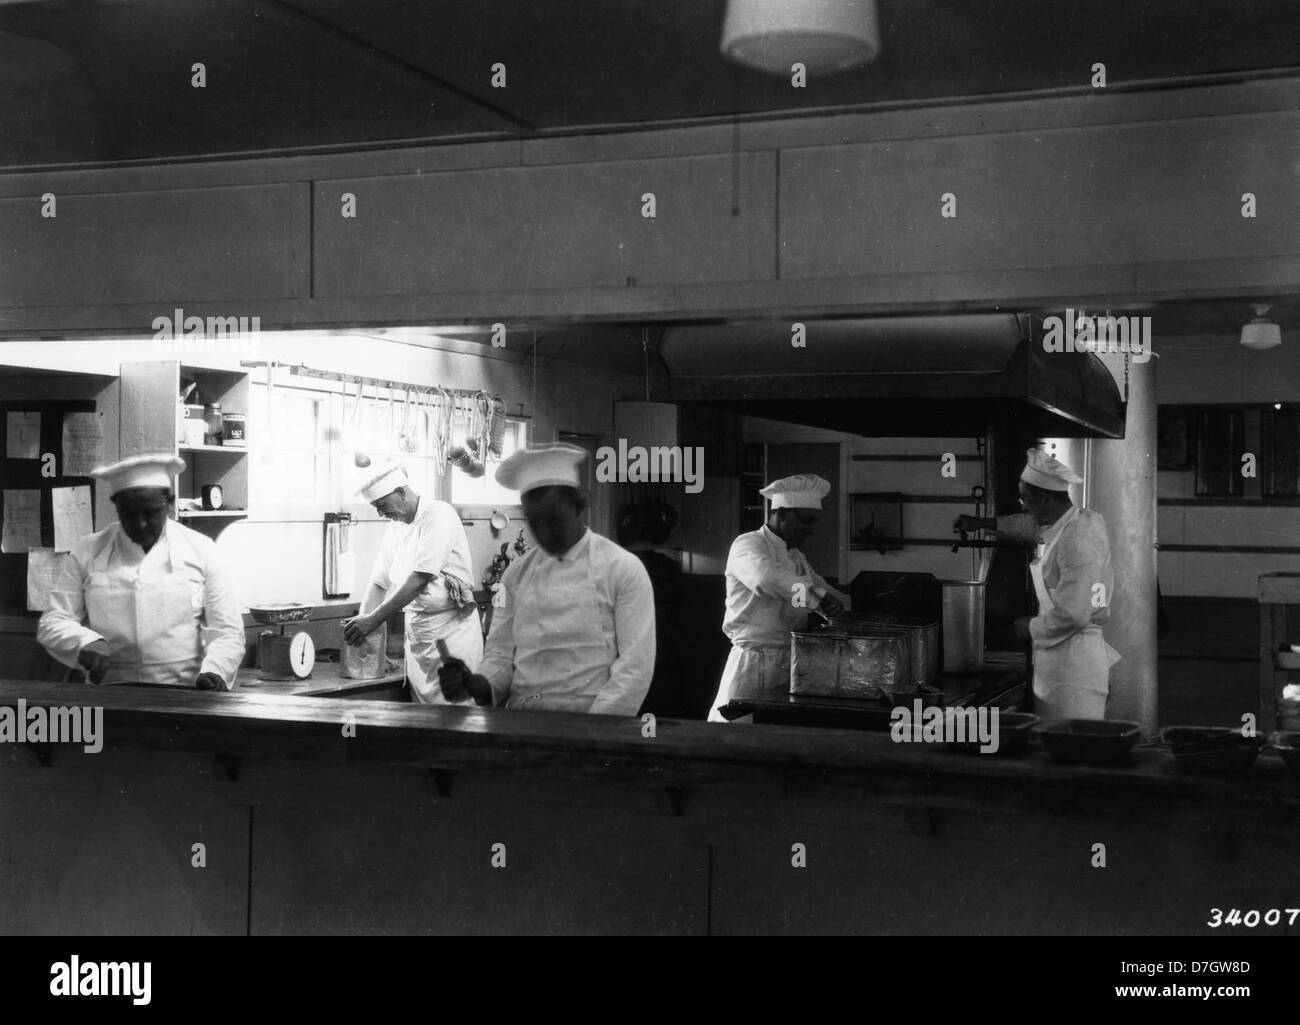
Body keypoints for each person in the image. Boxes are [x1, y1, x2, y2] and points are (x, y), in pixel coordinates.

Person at [436, 442, 655, 715]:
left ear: (579, 507)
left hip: (595, 726)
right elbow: (500, 654)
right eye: (534, 522)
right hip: (524, 723)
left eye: (554, 521)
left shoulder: (623, 569)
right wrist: (476, 683)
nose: (544, 533)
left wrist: (593, 732)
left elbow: (635, 668)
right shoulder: (515, 575)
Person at [37, 452, 245, 689]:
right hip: (110, 696)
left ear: (169, 504)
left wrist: (215, 672)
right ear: (116, 508)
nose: (140, 524)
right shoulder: (89, 550)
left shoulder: (202, 549)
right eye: (129, 514)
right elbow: (53, 620)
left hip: (187, 695)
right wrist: (84, 642)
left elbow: (228, 631)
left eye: (150, 513)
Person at [953, 447, 1119, 720]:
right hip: (1063, 665)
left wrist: (1028, 626)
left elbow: (1074, 614)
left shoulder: (1076, 541)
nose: (1022, 504)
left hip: (1074, 671)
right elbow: (1028, 526)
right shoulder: (1076, 522)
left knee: (1068, 750)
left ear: (1042, 497)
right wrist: (981, 522)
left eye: (1025, 497)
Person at [708, 474, 848, 722]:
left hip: (789, 661)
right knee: (738, 737)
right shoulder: (748, 544)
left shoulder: (796, 557)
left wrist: (847, 605)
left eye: (814, 522)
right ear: (781, 514)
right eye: (806, 520)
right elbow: (767, 580)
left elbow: (816, 588)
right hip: (753, 661)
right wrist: (819, 599)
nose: (811, 529)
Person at [343, 463, 483, 705]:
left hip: (452, 636)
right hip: (419, 642)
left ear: (401, 492)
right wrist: (370, 645)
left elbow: (421, 577)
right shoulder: (395, 529)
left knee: (458, 715)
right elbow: (378, 582)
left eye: (382, 506)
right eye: (376, 508)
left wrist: (374, 620)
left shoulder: (438, 514)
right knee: (423, 721)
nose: (381, 514)